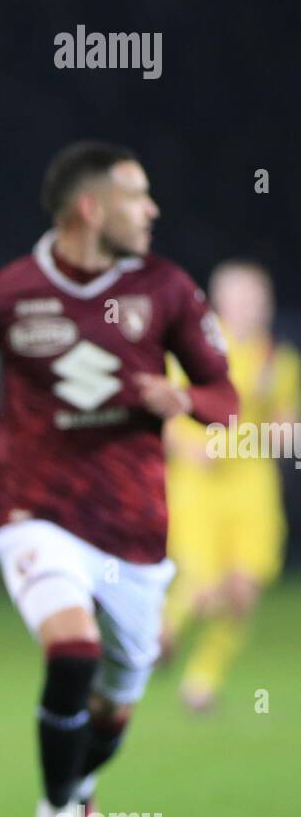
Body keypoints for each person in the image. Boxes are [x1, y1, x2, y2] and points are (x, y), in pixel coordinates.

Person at [0, 141, 236, 817]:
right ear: (89, 208)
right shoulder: (2, 294)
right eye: (138, 195)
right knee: (72, 649)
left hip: (133, 530)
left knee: (117, 699)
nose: (151, 210)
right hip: (33, 511)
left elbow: (222, 396)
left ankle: (80, 788)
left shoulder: (166, 289)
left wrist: (181, 401)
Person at [163, 262, 300, 710]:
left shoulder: (277, 362)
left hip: (252, 488)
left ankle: (201, 683)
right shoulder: (192, 352)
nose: (252, 309)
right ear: (219, 304)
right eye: (242, 300)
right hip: (198, 488)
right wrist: (187, 447)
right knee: (206, 585)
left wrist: (285, 434)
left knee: (242, 592)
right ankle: (161, 632)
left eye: (259, 301)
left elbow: (286, 430)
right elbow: (160, 417)